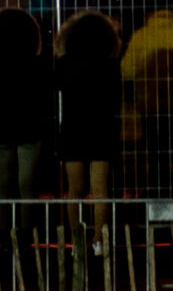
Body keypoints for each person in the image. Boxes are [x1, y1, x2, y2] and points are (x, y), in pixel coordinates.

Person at [0, 11, 52, 200]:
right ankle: (27, 220)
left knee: (3, 184)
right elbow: (44, 98)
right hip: (30, 129)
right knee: (28, 185)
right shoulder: (37, 66)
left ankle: (4, 220)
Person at [53, 14, 123, 203]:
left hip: (73, 127)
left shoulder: (65, 63)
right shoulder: (109, 64)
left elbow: (55, 86)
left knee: (74, 189)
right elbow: (117, 94)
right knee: (100, 190)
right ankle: (101, 225)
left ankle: (75, 224)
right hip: (102, 127)